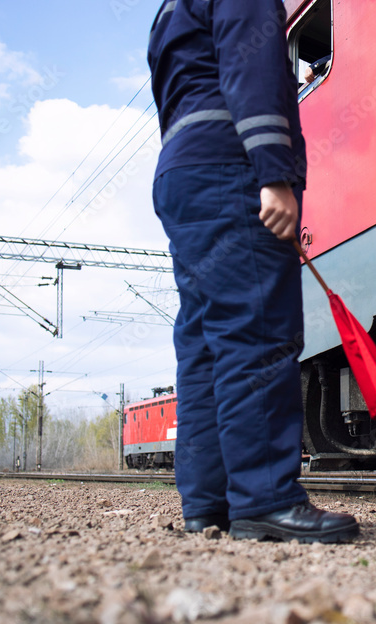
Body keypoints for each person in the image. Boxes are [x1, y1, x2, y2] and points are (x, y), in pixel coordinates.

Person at [148, 0, 358, 543]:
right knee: (256, 332)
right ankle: (267, 500)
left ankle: (207, 504)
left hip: (182, 174)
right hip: (231, 166)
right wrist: (273, 172)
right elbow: (254, 71)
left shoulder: (168, 12)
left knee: (203, 345)